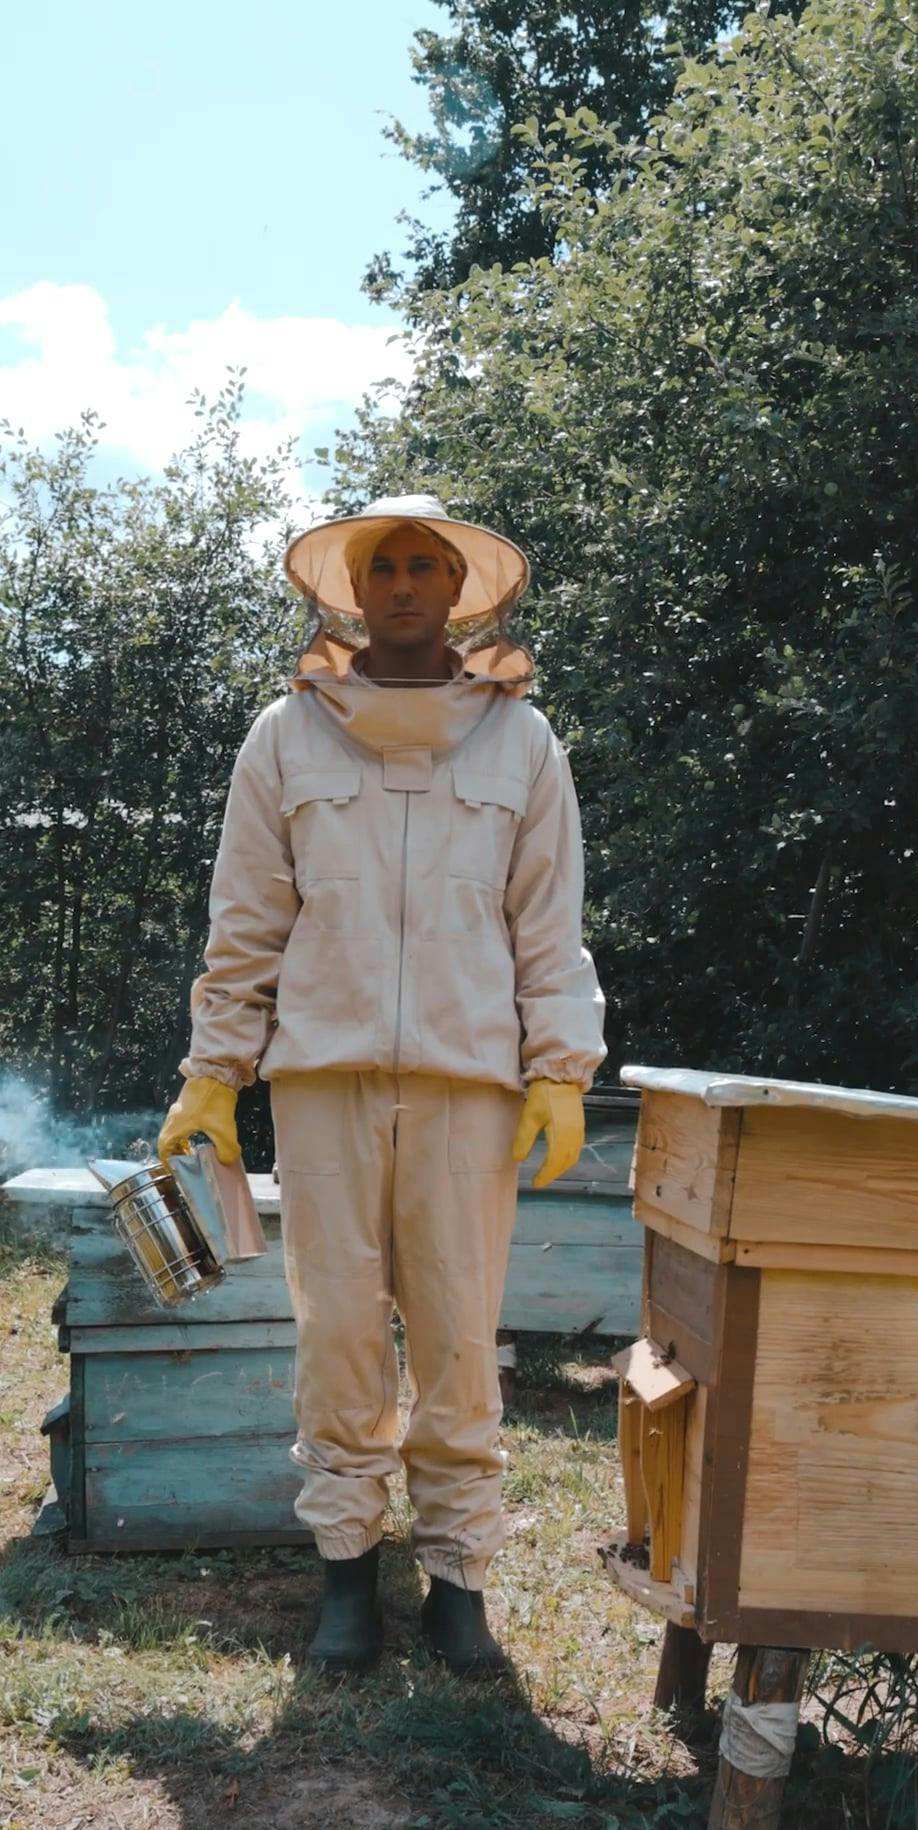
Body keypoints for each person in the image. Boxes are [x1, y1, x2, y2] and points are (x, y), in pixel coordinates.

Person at [158, 494, 606, 1674]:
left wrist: (560, 1068)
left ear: (461, 588)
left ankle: (457, 1579)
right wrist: (215, 1075)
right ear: (350, 593)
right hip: (323, 1080)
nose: (404, 583)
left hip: (470, 1084)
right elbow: (247, 921)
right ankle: (347, 1578)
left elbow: (548, 926)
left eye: (424, 564)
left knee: (460, 1336)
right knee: (340, 1333)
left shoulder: (523, 743)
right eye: (383, 566)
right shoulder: (285, 738)